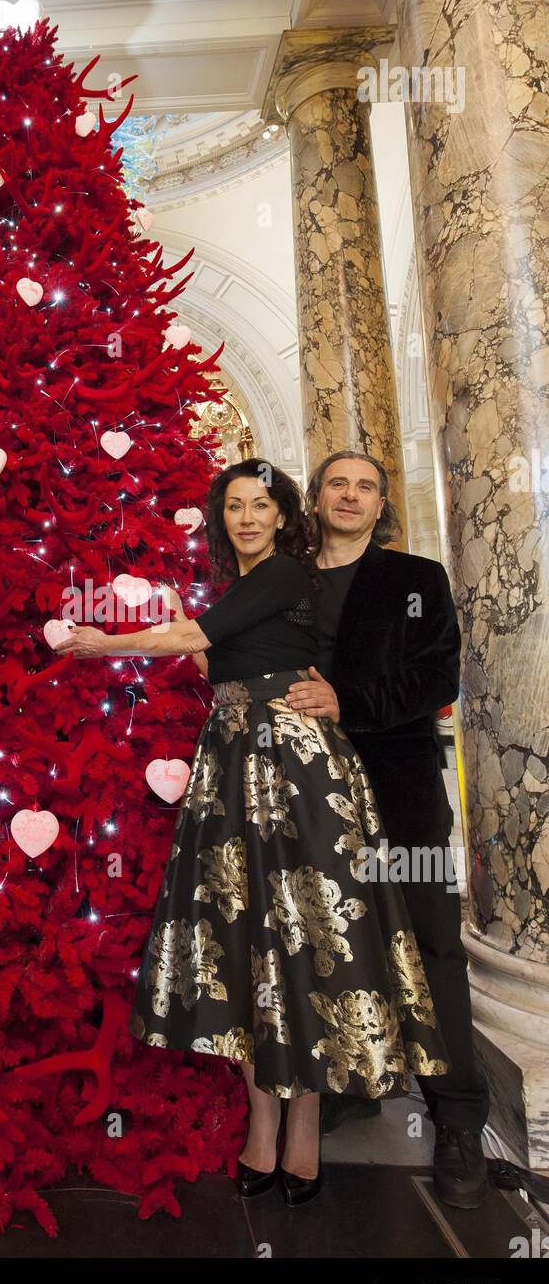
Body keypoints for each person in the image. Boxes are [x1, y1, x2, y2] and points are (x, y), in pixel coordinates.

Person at [51, 458, 450, 1207]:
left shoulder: (286, 573)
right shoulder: (244, 587)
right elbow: (215, 658)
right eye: (233, 506)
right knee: (242, 942)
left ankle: (302, 1130)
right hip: (231, 766)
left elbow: (194, 636)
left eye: (260, 505)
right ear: (219, 517)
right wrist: (186, 623)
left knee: (307, 943)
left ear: (281, 515)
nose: (246, 518)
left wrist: (101, 643)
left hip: (296, 771)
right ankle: (260, 1123)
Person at [285, 450, 490, 1210]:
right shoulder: (285, 580)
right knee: (329, 944)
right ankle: (348, 1085)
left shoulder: (413, 581)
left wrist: (347, 703)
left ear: (380, 506)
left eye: (364, 487)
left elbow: (438, 676)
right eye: (336, 483)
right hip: (305, 798)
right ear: (314, 498)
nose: (349, 495)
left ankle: (458, 1122)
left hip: (398, 795)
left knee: (432, 949)